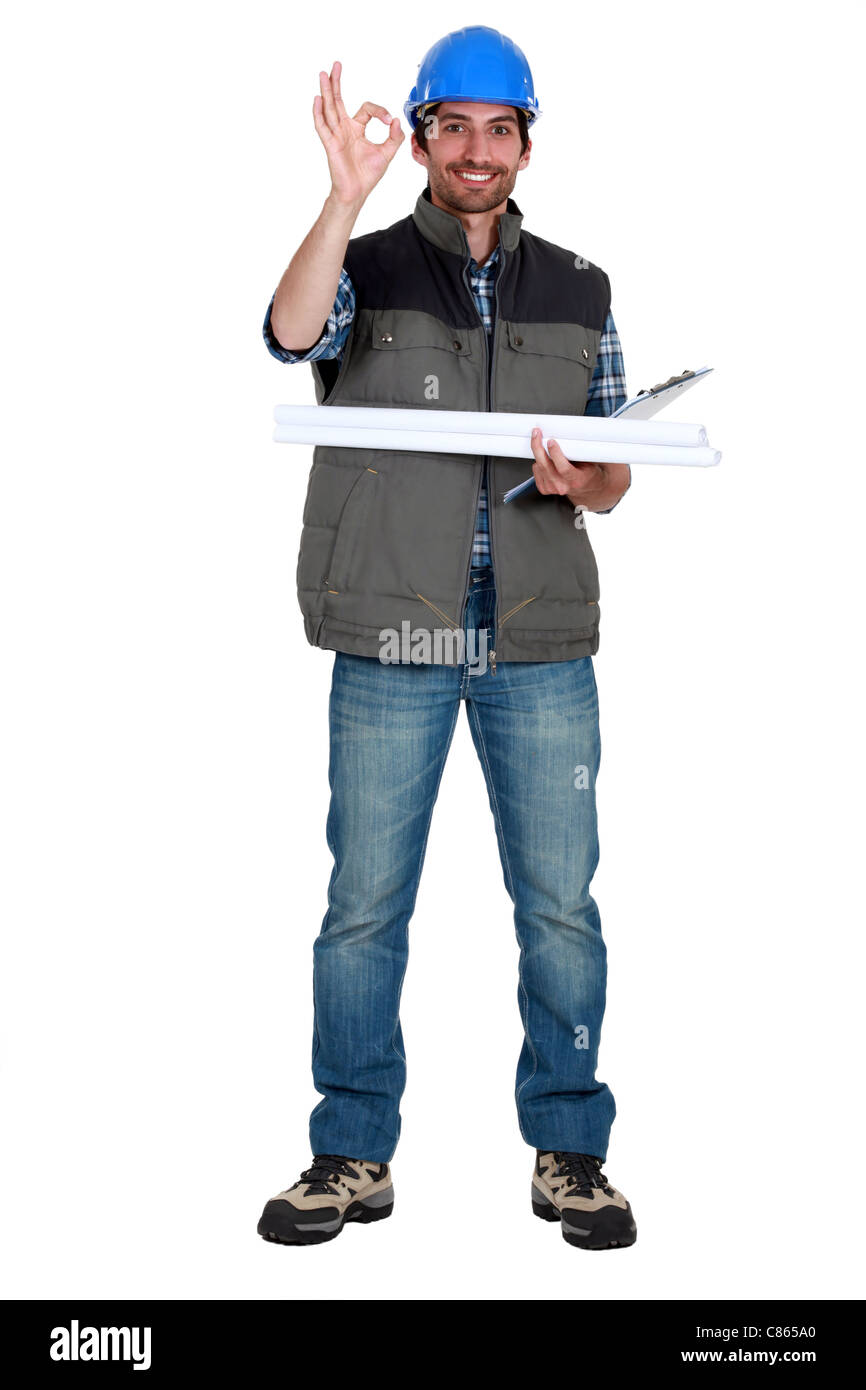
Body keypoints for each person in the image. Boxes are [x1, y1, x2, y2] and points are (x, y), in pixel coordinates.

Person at [257, 25, 637, 1251]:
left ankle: (569, 1151)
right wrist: (336, 197)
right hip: (391, 637)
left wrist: (586, 483)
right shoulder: (361, 263)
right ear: (421, 137)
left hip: (536, 645)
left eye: (500, 128)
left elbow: (613, 472)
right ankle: (349, 1150)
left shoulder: (581, 287)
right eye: (453, 126)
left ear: (527, 142)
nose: (477, 150)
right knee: (363, 905)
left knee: (560, 909)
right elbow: (289, 334)